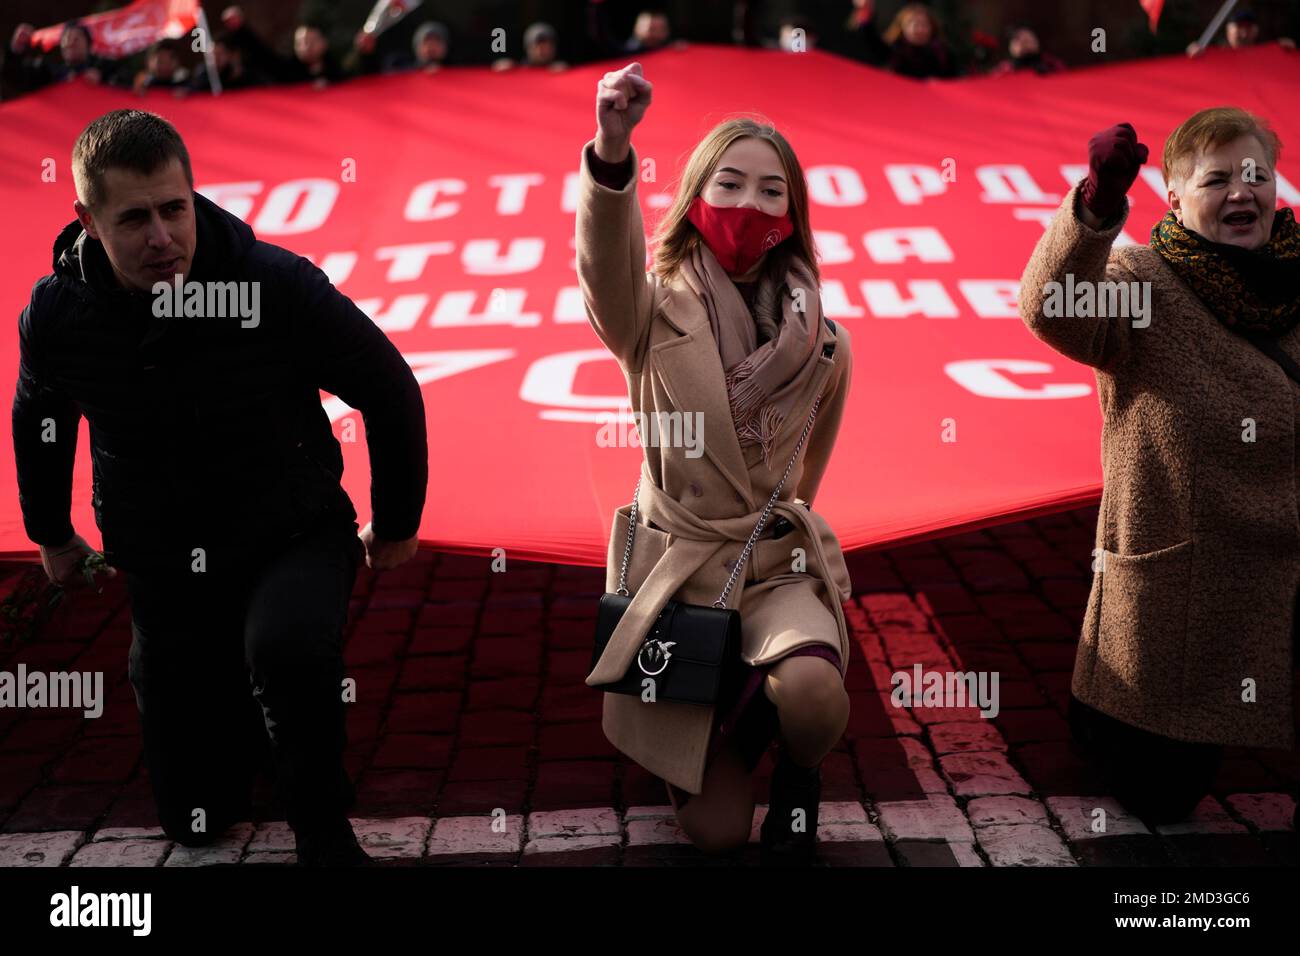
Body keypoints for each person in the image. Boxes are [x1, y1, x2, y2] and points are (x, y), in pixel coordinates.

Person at [12, 110, 429, 865]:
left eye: (174, 208)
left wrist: (395, 520)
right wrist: (51, 532)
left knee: (286, 649)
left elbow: (390, 387)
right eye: (133, 218)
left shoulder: (275, 284)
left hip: (291, 532)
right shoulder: (59, 312)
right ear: (87, 220)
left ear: (194, 195)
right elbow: (39, 418)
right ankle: (247, 722)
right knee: (198, 819)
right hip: (165, 561)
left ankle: (322, 828)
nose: (162, 236)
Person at [578, 63, 855, 864]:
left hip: (769, 566)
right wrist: (612, 145)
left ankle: (798, 768)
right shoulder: (650, 310)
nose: (748, 206)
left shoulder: (828, 344)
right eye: (729, 184)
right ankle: (723, 718)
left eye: (772, 192)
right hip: (679, 573)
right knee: (718, 833)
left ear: (793, 215)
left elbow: (807, 482)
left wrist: (788, 560)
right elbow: (603, 268)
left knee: (810, 693)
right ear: (696, 197)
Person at [1018, 109, 1299, 825]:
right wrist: (1099, 205)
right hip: (1181, 611)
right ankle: (1103, 718)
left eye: (1256, 175)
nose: (1243, 191)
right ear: (1173, 199)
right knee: (1158, 802)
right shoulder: (1141, 279)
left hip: (1287, 589)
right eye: (1217, 179)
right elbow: (1052, 307)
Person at [850, 1, 958, 79]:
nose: (919, 30)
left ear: (932, 28)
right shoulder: (894, 52)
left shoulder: (944, 54)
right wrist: (864, 12)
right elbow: (871, 40)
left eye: (924, 24)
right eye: (914, 24)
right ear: (903, 29)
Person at [1187, 7, 1296, 56]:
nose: (1244, 35)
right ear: (1228, 30)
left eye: (1248, 29)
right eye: (1239, 29)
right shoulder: (1213, 56)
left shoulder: (1269, 57)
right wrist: (1194, 60)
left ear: (1255, 31)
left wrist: (1286, 55)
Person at [989, 24, 1065, 76]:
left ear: (1037, 42)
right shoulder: (1003, 70)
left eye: (1027, 40)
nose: (1023, 44)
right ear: (1011, 47)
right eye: (1018, 40)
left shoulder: (1052, 65)